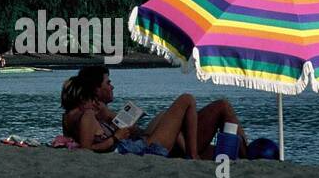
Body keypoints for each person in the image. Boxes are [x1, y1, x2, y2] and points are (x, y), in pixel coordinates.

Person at [61, 66, 248, 159]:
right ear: (95, 90)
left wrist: (121, 126)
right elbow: (86, 150)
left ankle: (198, 152)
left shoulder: (94, 113)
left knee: (163, 116)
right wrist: (116, 137)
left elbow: (86, 131)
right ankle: (193, 157)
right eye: (108, 83)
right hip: (144, 147)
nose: (112, 86)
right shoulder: (86, 115)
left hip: (138, 142)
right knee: (188, 99)